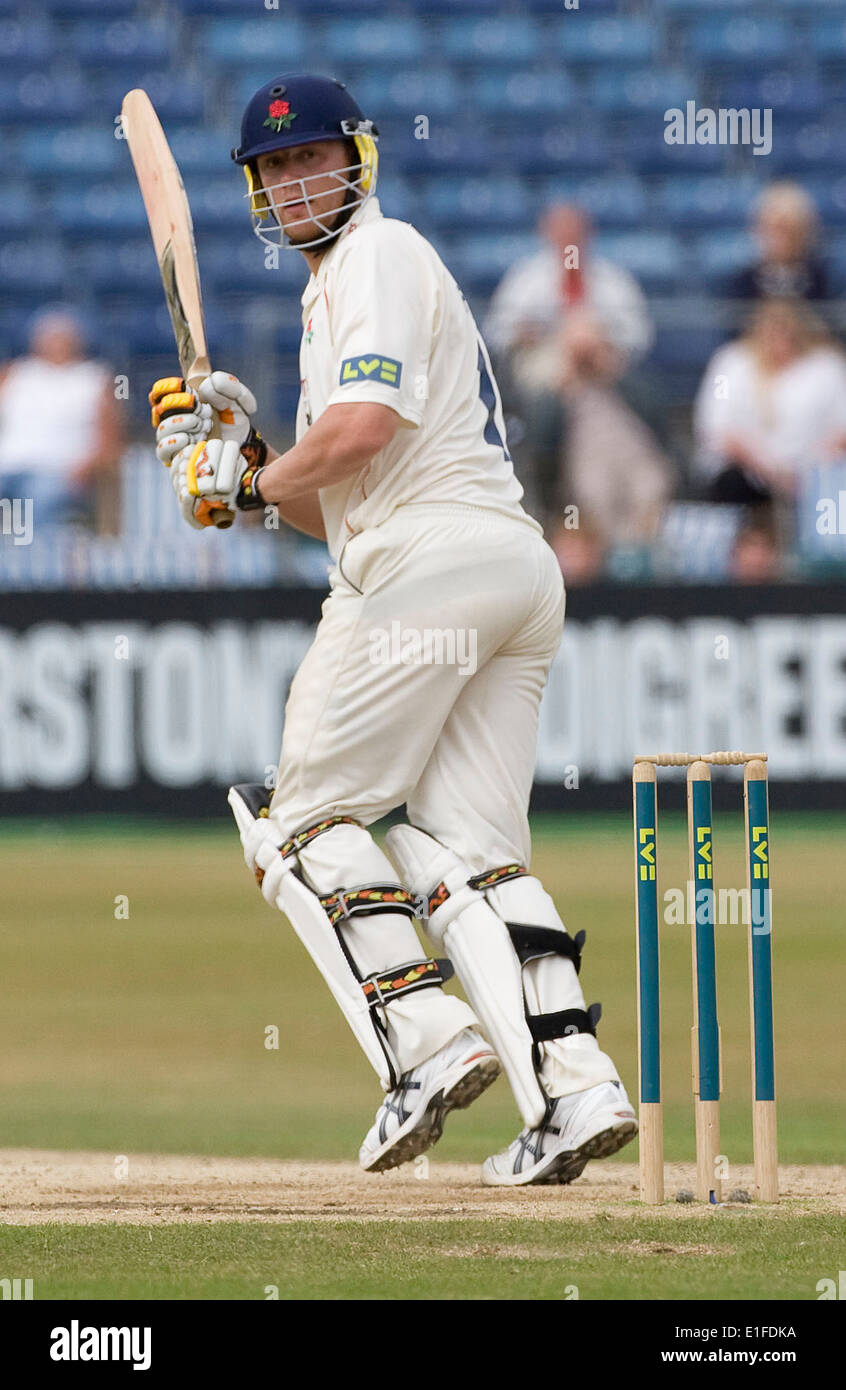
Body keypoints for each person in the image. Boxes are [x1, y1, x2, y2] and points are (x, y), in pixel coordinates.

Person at [149, 74, 636, 1186]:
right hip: (503, 568)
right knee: (473, 851)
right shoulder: (335, 302)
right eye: (273, 170)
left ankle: (425, 1041)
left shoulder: (378, 253)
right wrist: (244, 463)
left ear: (357, 162)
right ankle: (575, 1086)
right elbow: (330, 497)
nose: (293, 182)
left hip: (429, 566)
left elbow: (361, 433)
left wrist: (252, 476)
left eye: (312, 159)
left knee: (302, 821)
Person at [485, 203, 672, 553]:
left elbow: (638, 336)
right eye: (561, 231)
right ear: (547, 233)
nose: (568, 239)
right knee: (564, 353)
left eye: (575, 231)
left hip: (603, 372)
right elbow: (499, 333)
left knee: (590, 343)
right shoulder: (528, 277)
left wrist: (594, 341)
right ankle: (547, 464)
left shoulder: (611, 279)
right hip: (548, 363)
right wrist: (542, 335)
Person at [693, 299, 846, 514]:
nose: (779, 341)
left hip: (815, 475)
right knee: (731, 483)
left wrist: (810, 469)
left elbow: (842, 427)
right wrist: (767, 468)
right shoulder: (729, 365)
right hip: (747, 471)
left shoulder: (828, 368)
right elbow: (717, 425)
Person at [0, 309, 122, 531]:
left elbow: (109, 443)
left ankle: (33, 562)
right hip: (8, 465)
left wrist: (83, 469)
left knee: (39, 497)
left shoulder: (94, 379)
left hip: (58, 470)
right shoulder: (14, 374)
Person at [731, 182, 829, 304]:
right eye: (774, 229)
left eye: (791, 230)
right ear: (758, 231)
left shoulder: (824, 283)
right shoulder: (741, 285)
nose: (782, 239)